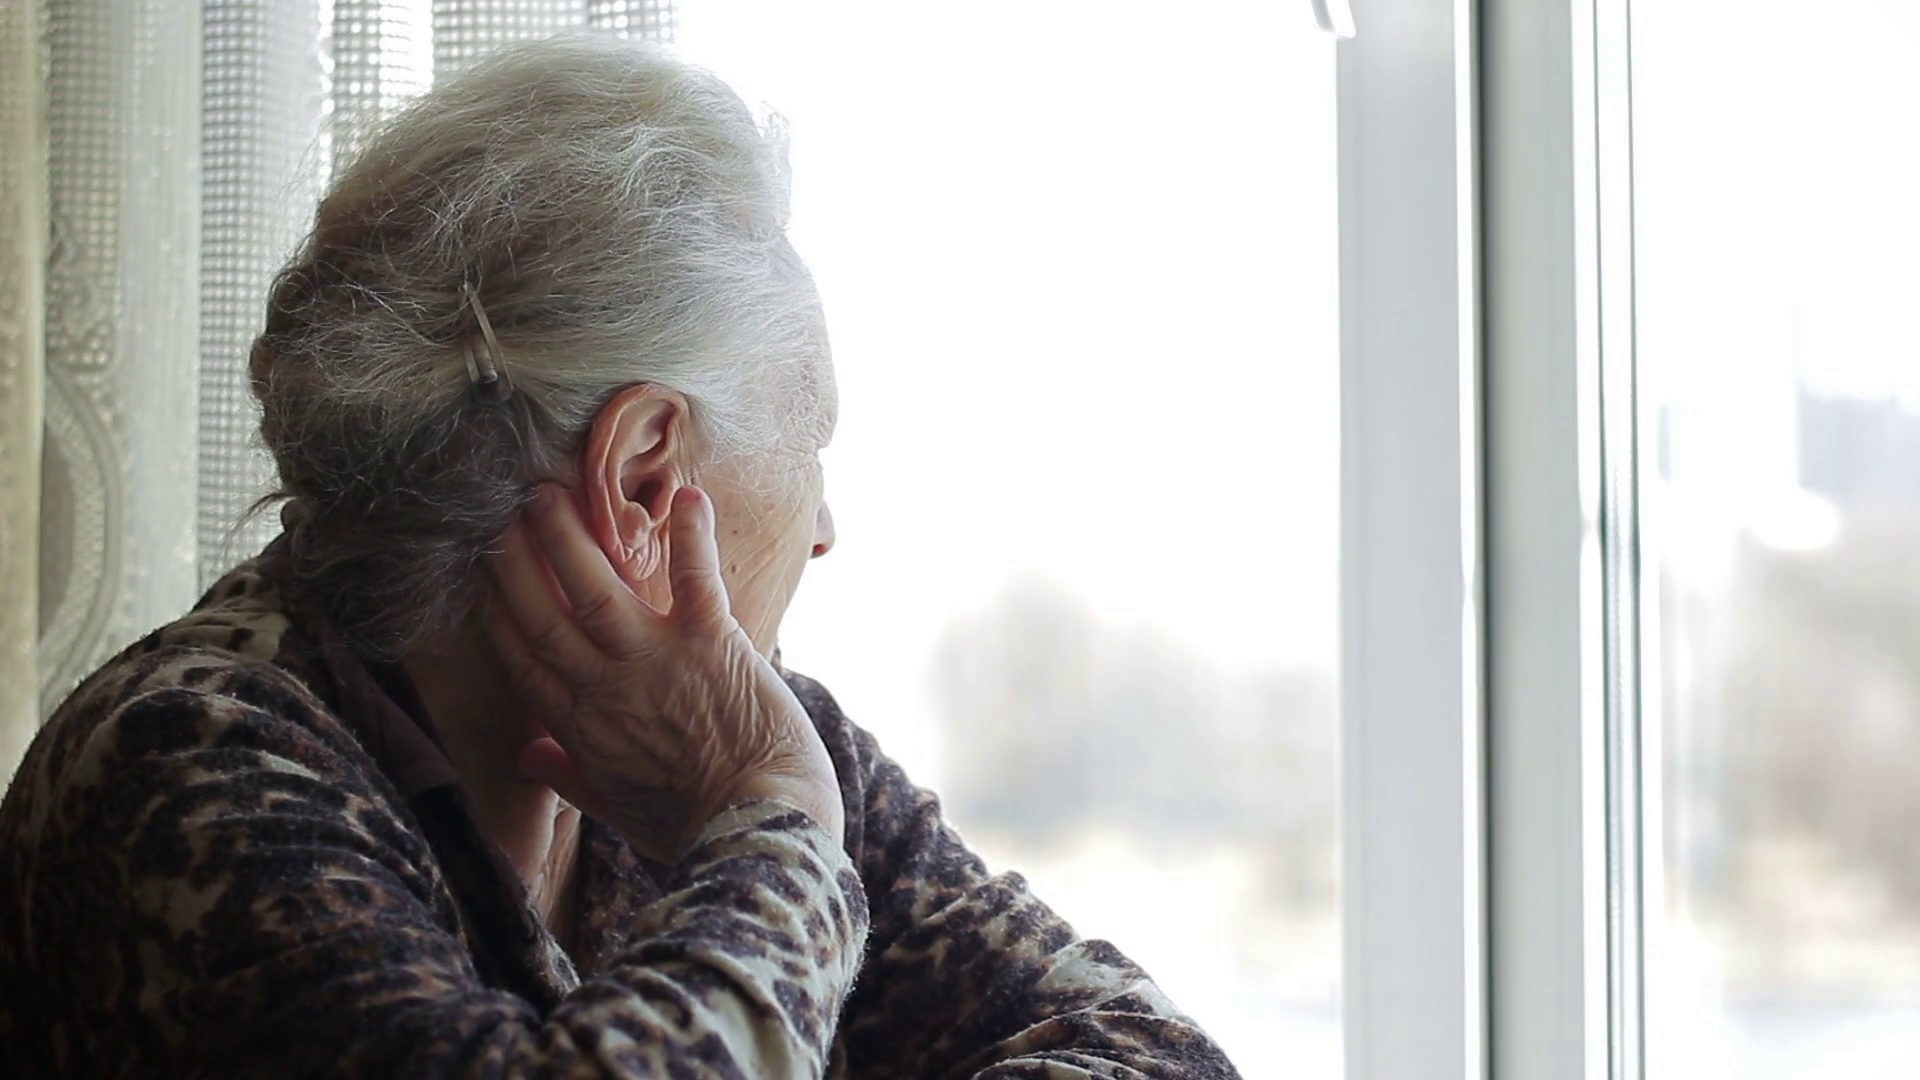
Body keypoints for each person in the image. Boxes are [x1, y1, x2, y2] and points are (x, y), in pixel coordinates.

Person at [0, 34, 1239, 1078]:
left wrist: (771, 813)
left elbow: (1155, 1055)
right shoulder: (188, 771)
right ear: (647, 476)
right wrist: (769, 831)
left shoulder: (741, 736)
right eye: (811, 453)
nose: (823, 530)